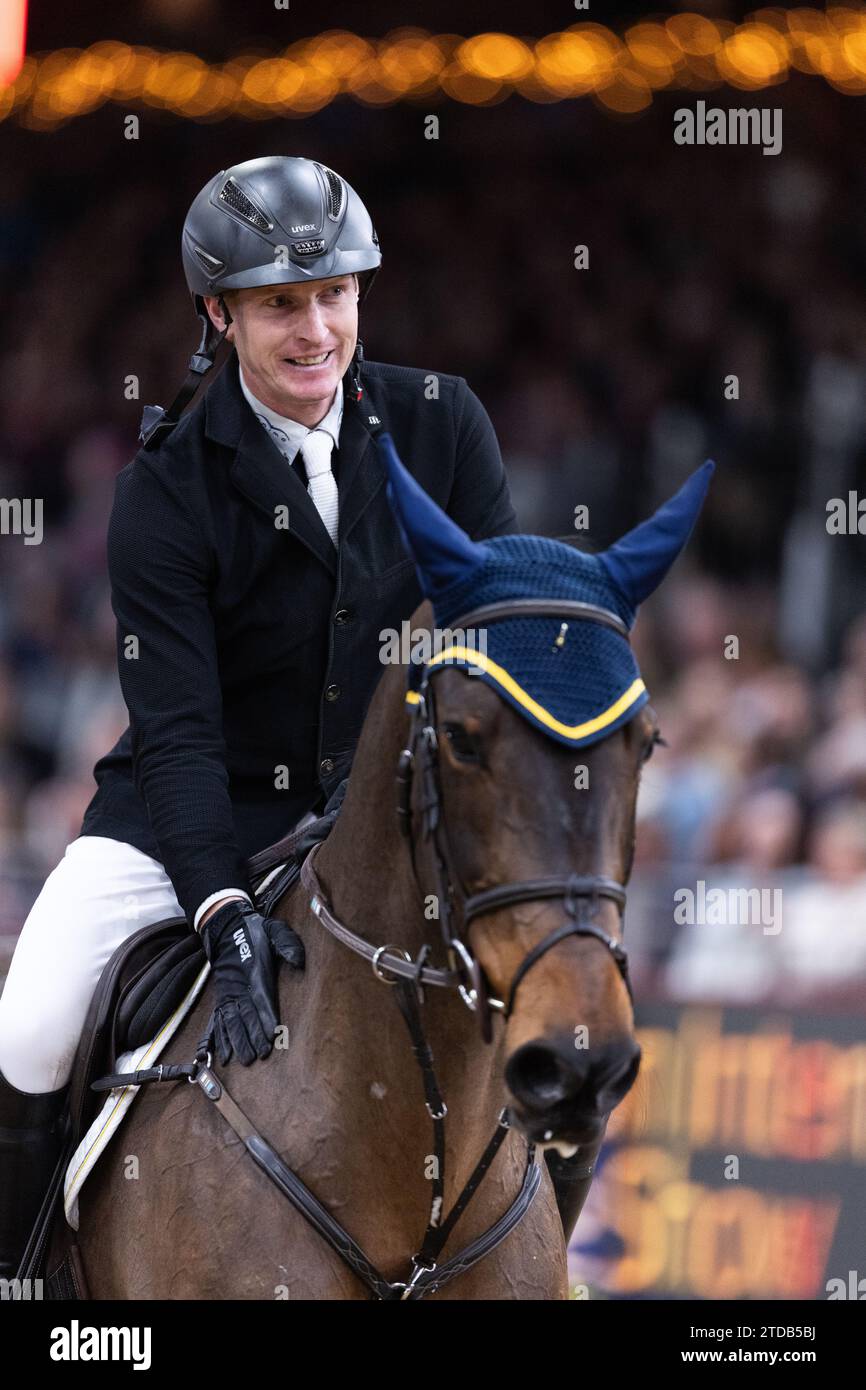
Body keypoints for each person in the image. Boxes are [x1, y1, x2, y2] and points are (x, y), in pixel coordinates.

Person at [0, 155, 519, 1277]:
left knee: (559, 1007)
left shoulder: (443, 427)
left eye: (334, 293)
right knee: (32, 1021)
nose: (316, 328)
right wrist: (224, 906)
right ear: (219, 312)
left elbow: (489, 645)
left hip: (385, 817)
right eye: (283, 302)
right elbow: (178, 734)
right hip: (195, 818)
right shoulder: (168, 490)